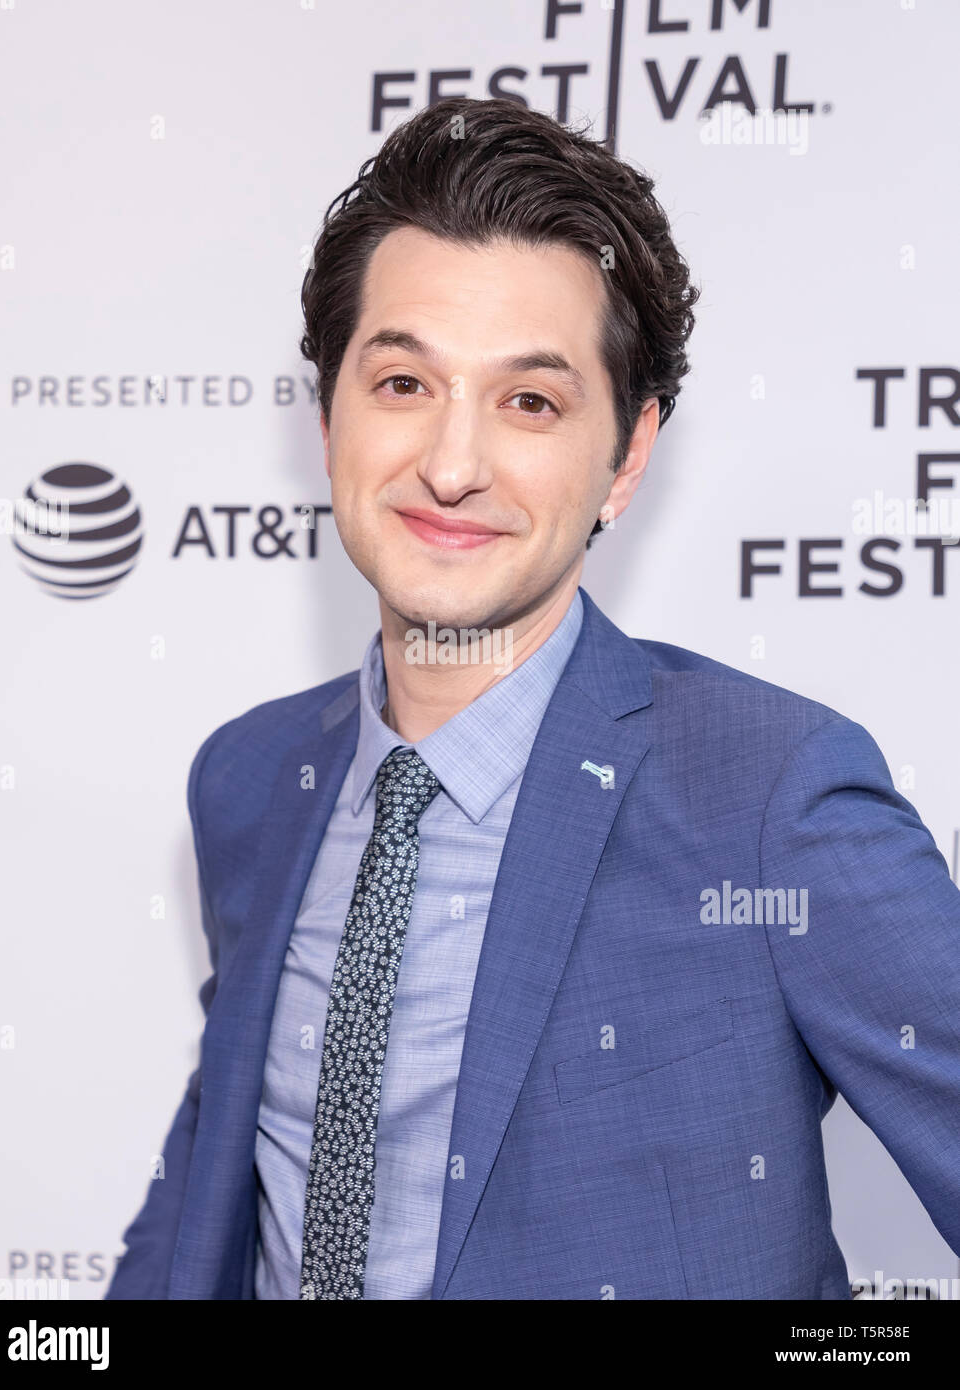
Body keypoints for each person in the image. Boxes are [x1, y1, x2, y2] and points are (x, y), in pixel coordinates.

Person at [107, 96, 960, 1301]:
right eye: (403, 381)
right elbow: (216, 1187)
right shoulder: (250, 779)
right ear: (327, 415)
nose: (453, 464)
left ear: (627, 454)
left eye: (530, 402)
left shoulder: (772, 795)